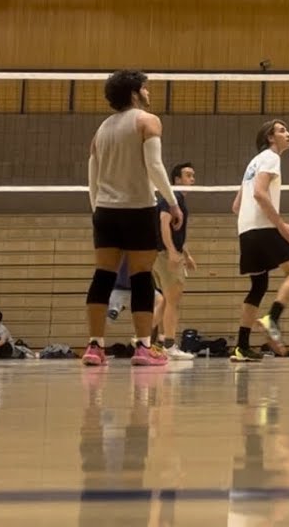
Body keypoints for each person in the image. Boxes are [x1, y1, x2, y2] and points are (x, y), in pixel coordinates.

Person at [83, 70, 182, 368]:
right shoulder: (147, 121)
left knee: (103, 275)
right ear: (135, 93)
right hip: (139, 209)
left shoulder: (101, 130)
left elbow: (93, 179)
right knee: (141, 278)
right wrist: (173, 203)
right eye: (146, 89)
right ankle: (143, 348)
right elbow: (154, 165)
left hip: (105, 211)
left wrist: (97, 211)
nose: (149, 94)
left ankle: (94, 347)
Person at [232, 119, 289, 361]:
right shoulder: (272, 158)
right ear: (270, 138)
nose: (288, 133)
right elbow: (260, 193)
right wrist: (281, 225)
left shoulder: (253, 162)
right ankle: (271, 318)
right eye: (282, 130)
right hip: (263, 226)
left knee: (258, 286)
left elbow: (236, 206)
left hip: (246, 229)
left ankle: (242, 346)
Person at [154, 162, 197, 361]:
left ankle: (143, 340)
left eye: (193, 175)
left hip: (165, 253)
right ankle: (169, 345)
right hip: (164, 254)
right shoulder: (174, 197)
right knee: (172, 301)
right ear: (177, 179)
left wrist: (185, 254)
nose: (192, 179)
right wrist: (172, 251)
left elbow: (174, 230)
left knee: (164, 302)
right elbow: (163, 221)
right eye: (188, 175)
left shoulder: (177, 199)